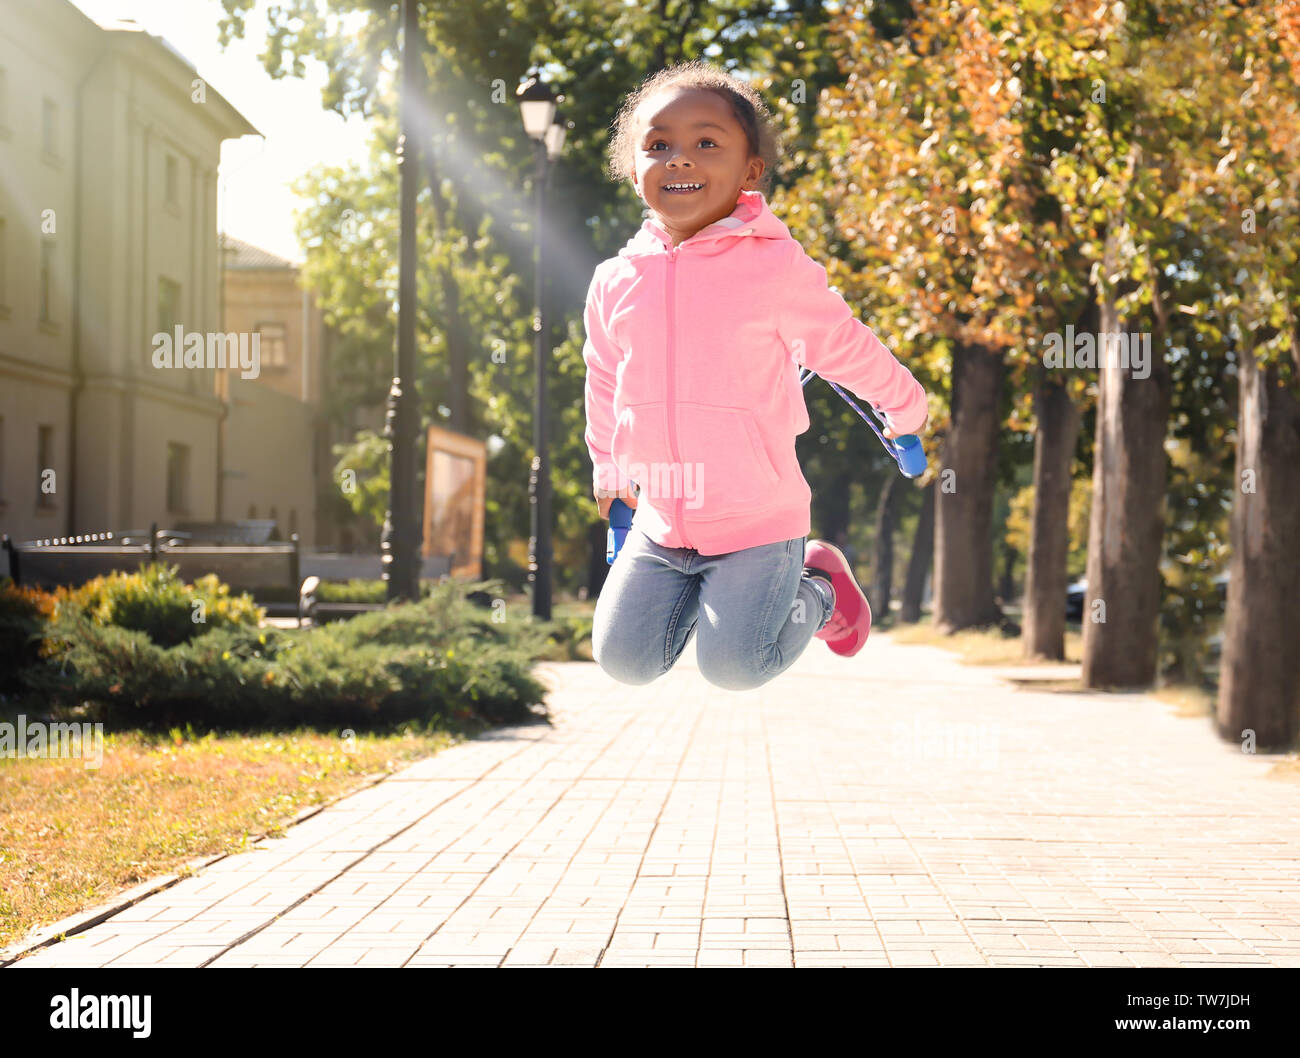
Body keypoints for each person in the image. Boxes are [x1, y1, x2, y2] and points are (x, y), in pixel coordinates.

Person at [583, 60, 927, 690]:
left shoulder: (775, 270)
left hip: (757, 520)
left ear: (750, 172)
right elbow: (604, 381)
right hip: (661, 519)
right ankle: (714, 599)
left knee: (734, 668)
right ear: (633, 170)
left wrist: (906, 414)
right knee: (623, 660)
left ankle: (818, 585)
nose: (680, 159)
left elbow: (849, 349)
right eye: (658, 146)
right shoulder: (615, 280)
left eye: (706, 143)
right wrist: (612, 474)